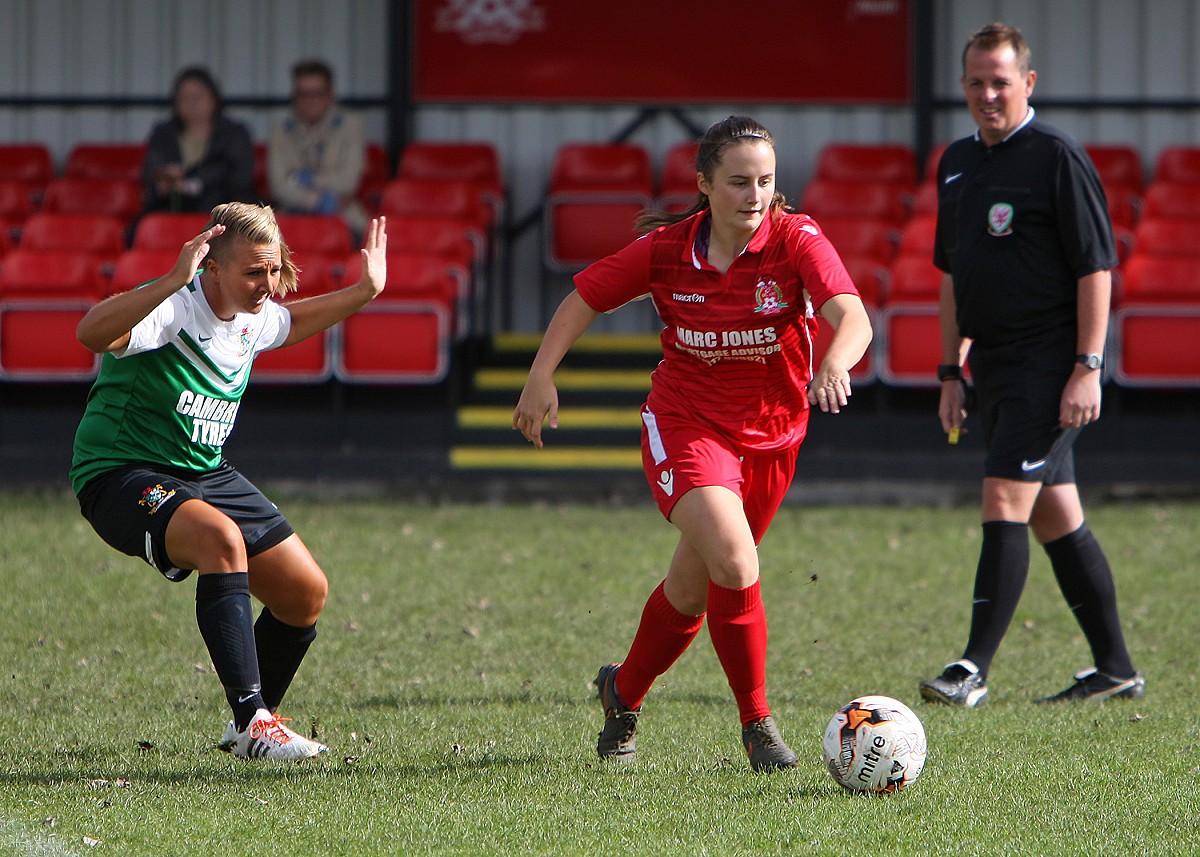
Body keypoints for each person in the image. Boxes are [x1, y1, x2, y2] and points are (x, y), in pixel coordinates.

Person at [513, 116, 872, 771]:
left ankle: (622, 692)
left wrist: (836, 362)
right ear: (705, 184)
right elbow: (582, 298)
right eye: (738, 181)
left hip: (773, 438)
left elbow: (851, 315)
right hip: (686, 425)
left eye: (765, 180)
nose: (755, 194)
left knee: (692, 590)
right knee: (735, 561)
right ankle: (758, 726)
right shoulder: (669, 250)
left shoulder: (797, 240)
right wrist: (540, 375)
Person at [71, 202, 387, 759]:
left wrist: (365, 291)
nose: (267, 284)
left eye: (272, 269)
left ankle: (251, 723)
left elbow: (292, 324)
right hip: (121, 471)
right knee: (222, 541)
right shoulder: (174, 308)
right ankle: (254, 722)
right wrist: (171, 279)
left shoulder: (252, 316)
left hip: (203, 472)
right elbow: (91, 333)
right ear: (210, 267)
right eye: (253, 271)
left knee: (303, 593)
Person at [919, 22, 1143, 708]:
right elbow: (953, 274)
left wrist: (1086, 365)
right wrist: (952, 370)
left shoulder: (1056, 156)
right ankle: (1115, 669)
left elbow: (1094, 267)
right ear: (962, 87)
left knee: (1003, 500)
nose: (989, 94)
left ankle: (971, 667)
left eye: (1002, 81)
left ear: (1029, 84)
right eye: (977, 82)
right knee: (1055, 515)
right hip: (993, 363)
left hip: (1052, 361)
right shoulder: (955, 162)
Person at [267, 58, 368, 236]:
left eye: (317, 93)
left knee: (362, 237)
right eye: (303, 94)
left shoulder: (350, 126)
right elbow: (279, 186)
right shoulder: (281, 130)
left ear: (330, 95)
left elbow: (347, 182)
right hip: (291, 215)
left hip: (342, 214)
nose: (310, 100)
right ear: (294, 96)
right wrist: (317, 201)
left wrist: (300, 178)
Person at [141, 66, 257, 214]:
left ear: (213, 99)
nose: (191, 103)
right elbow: (150, 170)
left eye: (198, 96)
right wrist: (165, 176)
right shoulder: (163, 133)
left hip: (225, 211)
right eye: (184, 97)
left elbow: (239, 178)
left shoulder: (234, 134)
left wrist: (196, 184)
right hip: (172, 208)